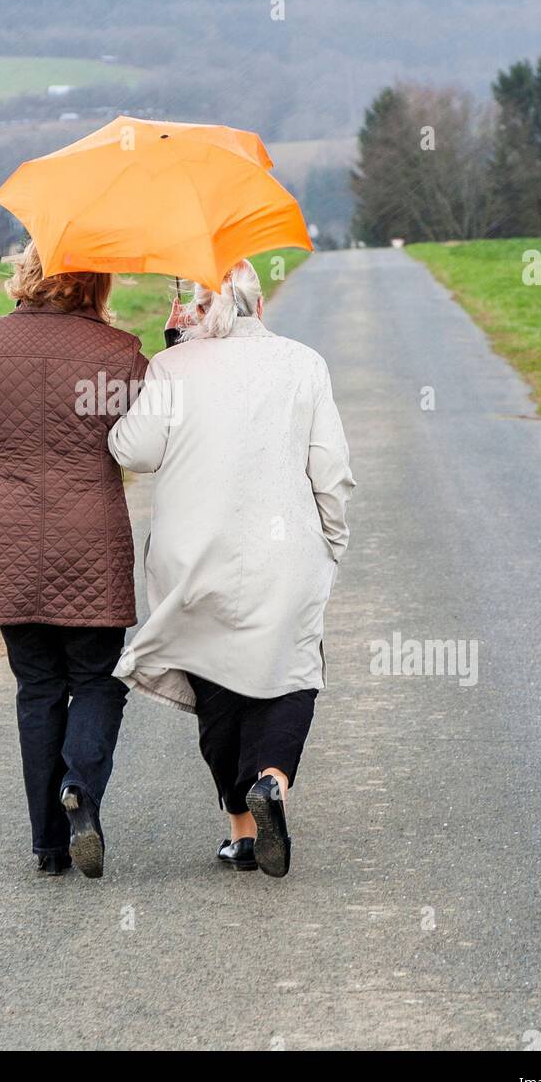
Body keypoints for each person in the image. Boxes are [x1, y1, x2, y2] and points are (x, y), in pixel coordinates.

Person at [108, 259, 354, 877]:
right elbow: (330, 468)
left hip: (195, 557)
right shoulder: (304, 364)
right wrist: (332, 540)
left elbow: (133, 450)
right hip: (287, 551)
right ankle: (271, 780)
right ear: (260, 307)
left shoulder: (173, 366)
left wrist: (170, 356)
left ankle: (242, 836)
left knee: (215, 681)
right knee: (291, 670)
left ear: (197, 312)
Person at [0, 243, 148, 878]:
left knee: (37, 686)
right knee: (97, 678)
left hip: (4, 534)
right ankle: (80, 785)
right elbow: (148, 440)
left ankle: (49, 846)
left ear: (30, 274)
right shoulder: (118, 356)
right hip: (91, 536)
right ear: (97, 282)